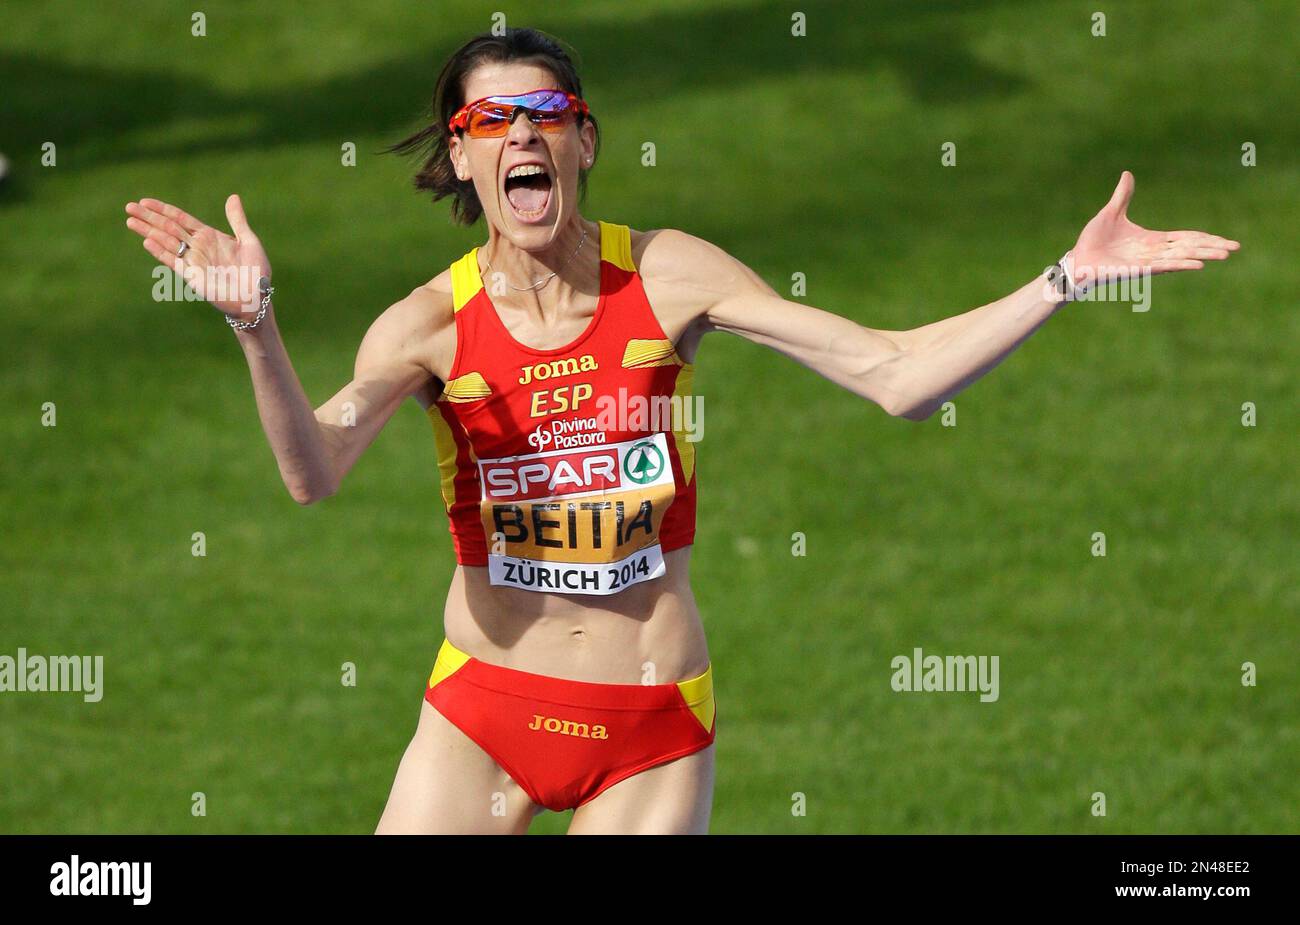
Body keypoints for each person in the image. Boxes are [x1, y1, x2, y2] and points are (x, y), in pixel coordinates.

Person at [122, 27, 1239, 835]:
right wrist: (257, 327)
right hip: (482, 709)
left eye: (547, 115)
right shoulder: (425, 325)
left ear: (585, 141)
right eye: (490, 120)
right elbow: (314, 472)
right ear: (461, 159)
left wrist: (1066, 276)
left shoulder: (667, 275)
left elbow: (895, 372)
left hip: (648, 723)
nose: (524, 135)